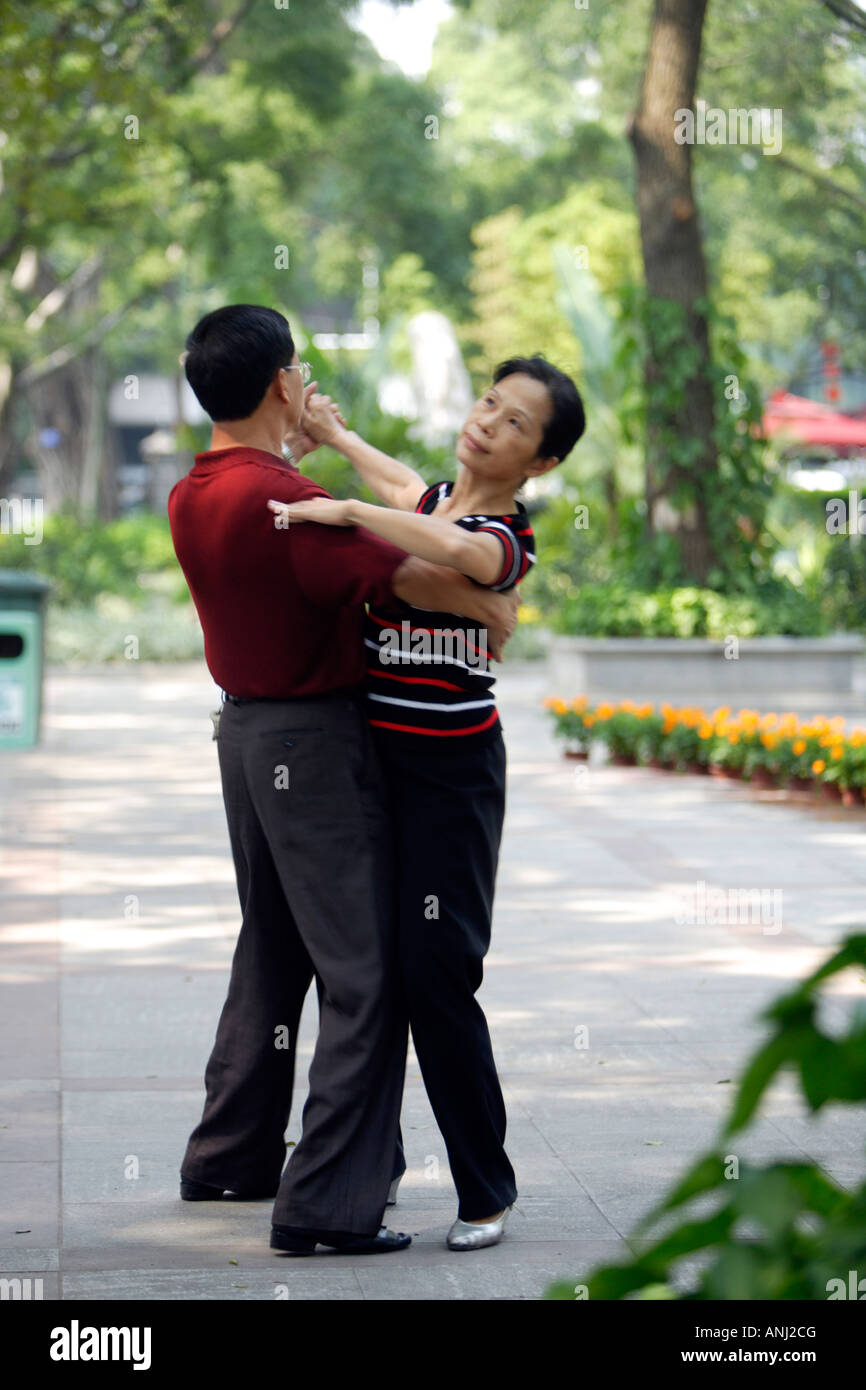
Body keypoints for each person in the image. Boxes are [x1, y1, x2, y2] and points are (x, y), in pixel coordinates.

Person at [167, 304, 519, 1256]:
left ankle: (231, 1155)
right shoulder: (281, 501)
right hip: (311, 749)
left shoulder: (195, 488)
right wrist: (497, 607)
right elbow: (424, 573)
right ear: (282, 383)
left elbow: (399, 523)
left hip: (243, 737)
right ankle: (328, 1202)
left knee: (272, 950)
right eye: (300, 368)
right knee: (364, 974)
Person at [268, 354, 586, 1249]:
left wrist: (344, 514)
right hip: (371, 769)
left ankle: (486, 1189)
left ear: (542, 463)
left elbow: (456, 551)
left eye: (517, 423)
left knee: (438, 979)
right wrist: (335, 439)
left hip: (452, 784)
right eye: (491, 402)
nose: (490, 421)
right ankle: (373, 1164)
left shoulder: (506, 537)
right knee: (366, 975)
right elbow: (409, 493)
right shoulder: (430, 497)